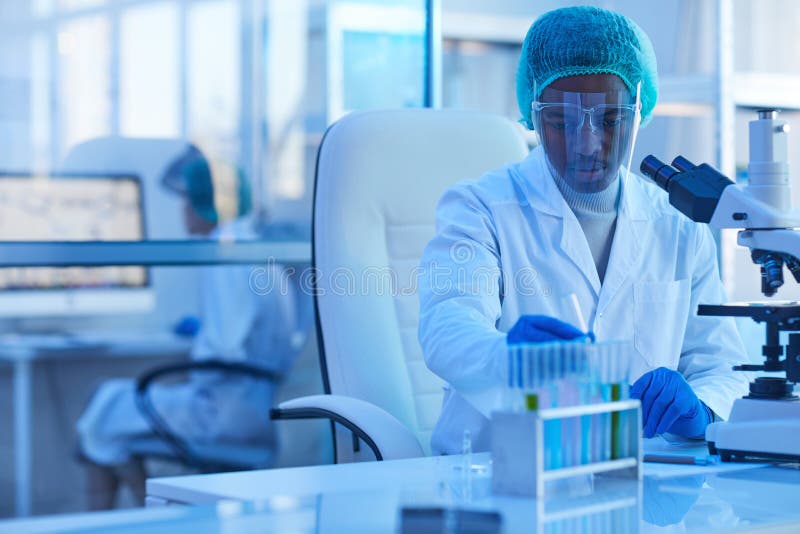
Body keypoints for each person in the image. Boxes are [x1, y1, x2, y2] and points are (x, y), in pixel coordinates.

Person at [418, 6, 750, 455]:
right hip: (497, 478)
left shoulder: (678, 226)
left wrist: (701, 408)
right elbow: (447, 327)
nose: (588, 143)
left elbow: (721, 364)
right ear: (533, 115)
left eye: (610, 119)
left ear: (639, 110)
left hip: (639, 489)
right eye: (562, 121)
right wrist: (508, 358)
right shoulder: (480, 208)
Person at [76, 145, 300, 509]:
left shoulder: (224, 251)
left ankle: (124, 520)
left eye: (186, 201)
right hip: (256, 406)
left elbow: (224, 349)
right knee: (109, 411)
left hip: (225, 412)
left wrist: (198, 356)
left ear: (204, 203)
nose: (183, 211)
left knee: (102, 405)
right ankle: (149, 517)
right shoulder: (253, 247)